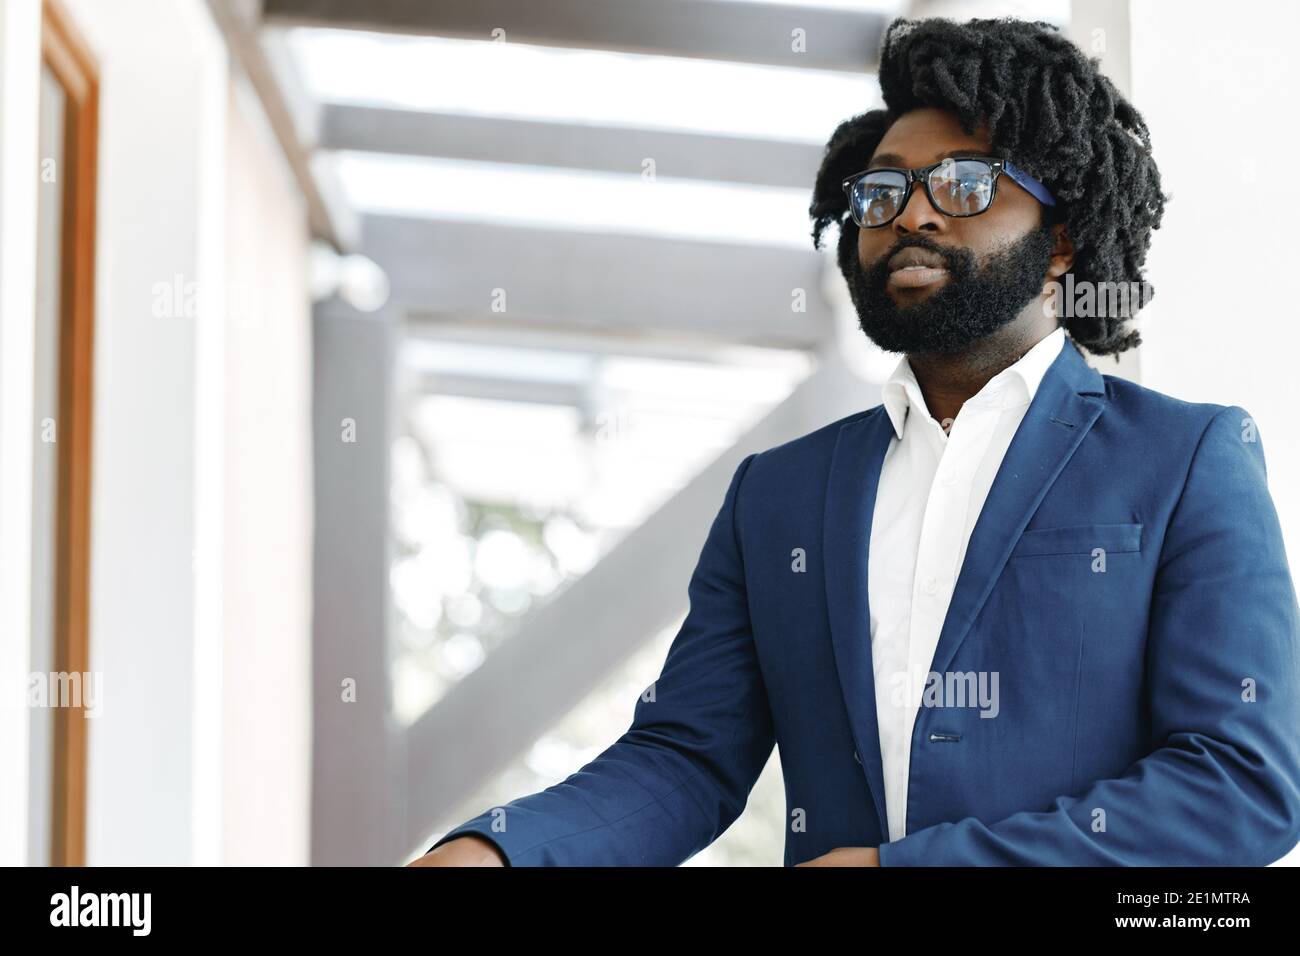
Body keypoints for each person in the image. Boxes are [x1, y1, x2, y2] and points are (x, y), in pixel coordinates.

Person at [411, 16, 1300, 867]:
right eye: (882, 191)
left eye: (964, 183)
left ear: (1061, 241)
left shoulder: (1188, 460)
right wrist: (498, 850)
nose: (911, 215)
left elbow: (1242, 784)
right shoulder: (780, 495)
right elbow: (684, 760)